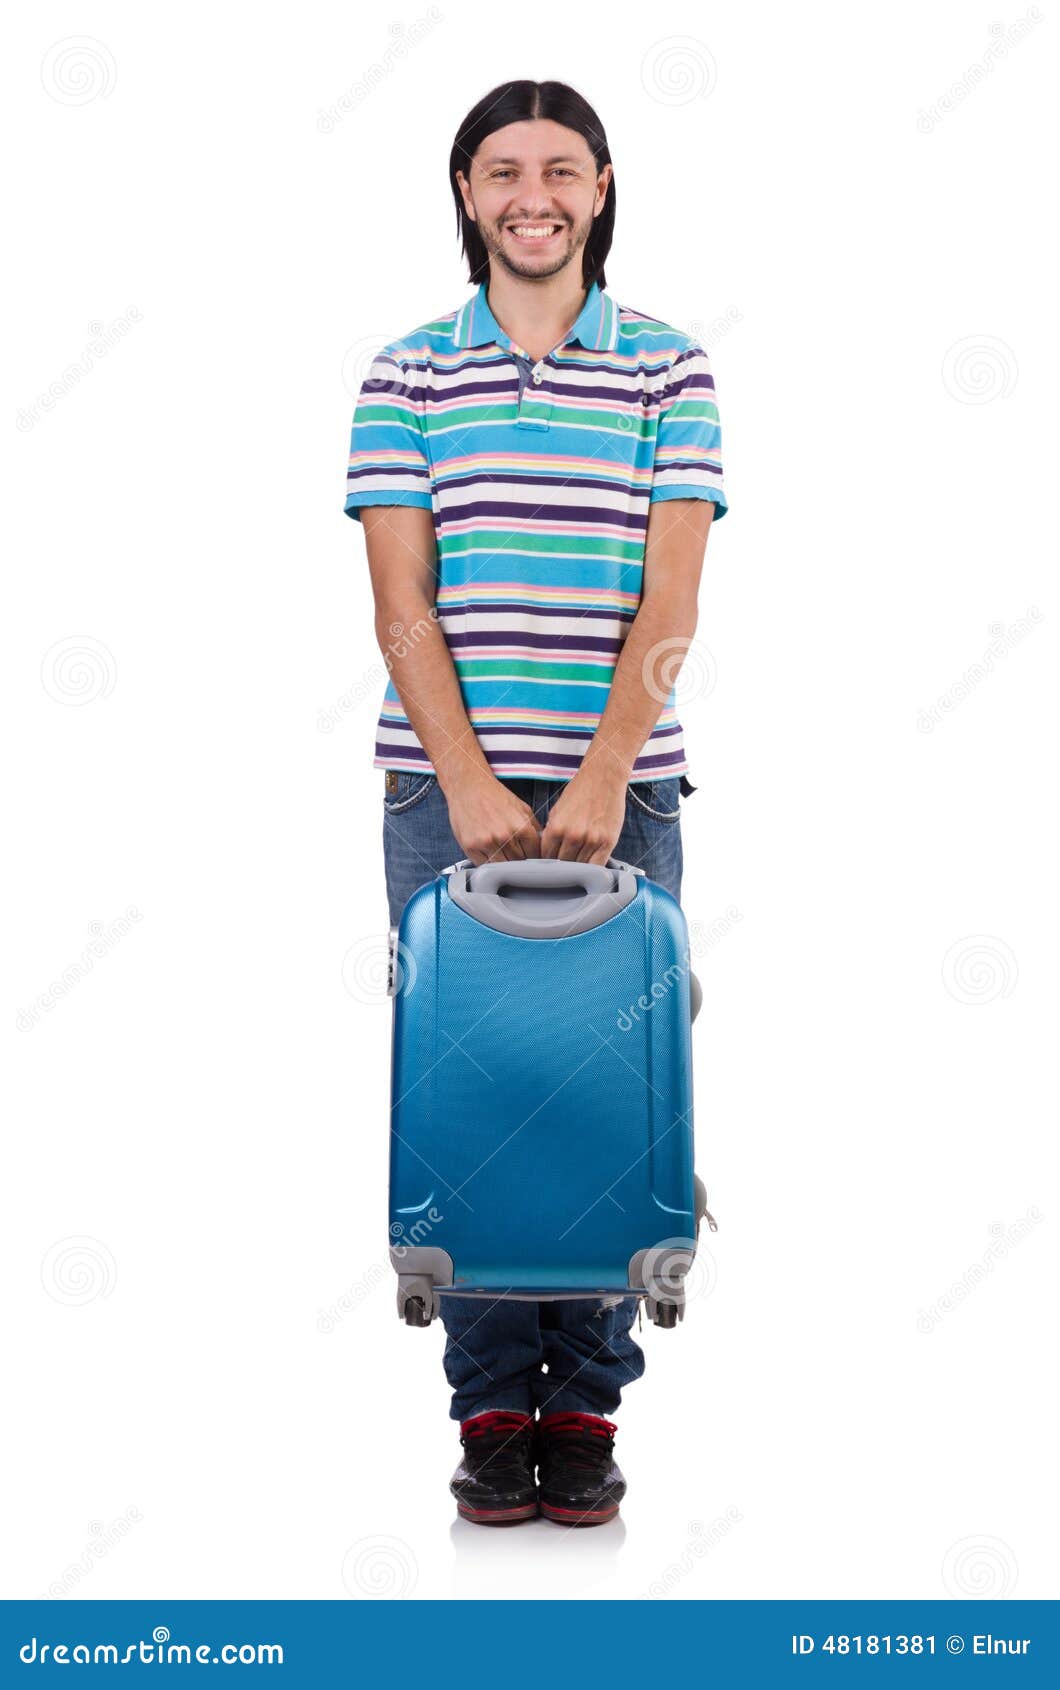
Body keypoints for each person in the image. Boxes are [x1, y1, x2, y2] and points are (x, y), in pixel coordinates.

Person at [343, 79, 728, 1526]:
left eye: (561, 168)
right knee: (476, 1097)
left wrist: (604, 767)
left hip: (627, 791)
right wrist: (470, 780)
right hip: (444, 801)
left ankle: (593, 1404)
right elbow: (401, 607)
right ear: (466, 193)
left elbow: (674, 595)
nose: (533, 193)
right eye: (503, 169)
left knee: (609, 1100)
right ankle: (494, 1403)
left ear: (604, 186)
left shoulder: (668, 370)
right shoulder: (404, 374)